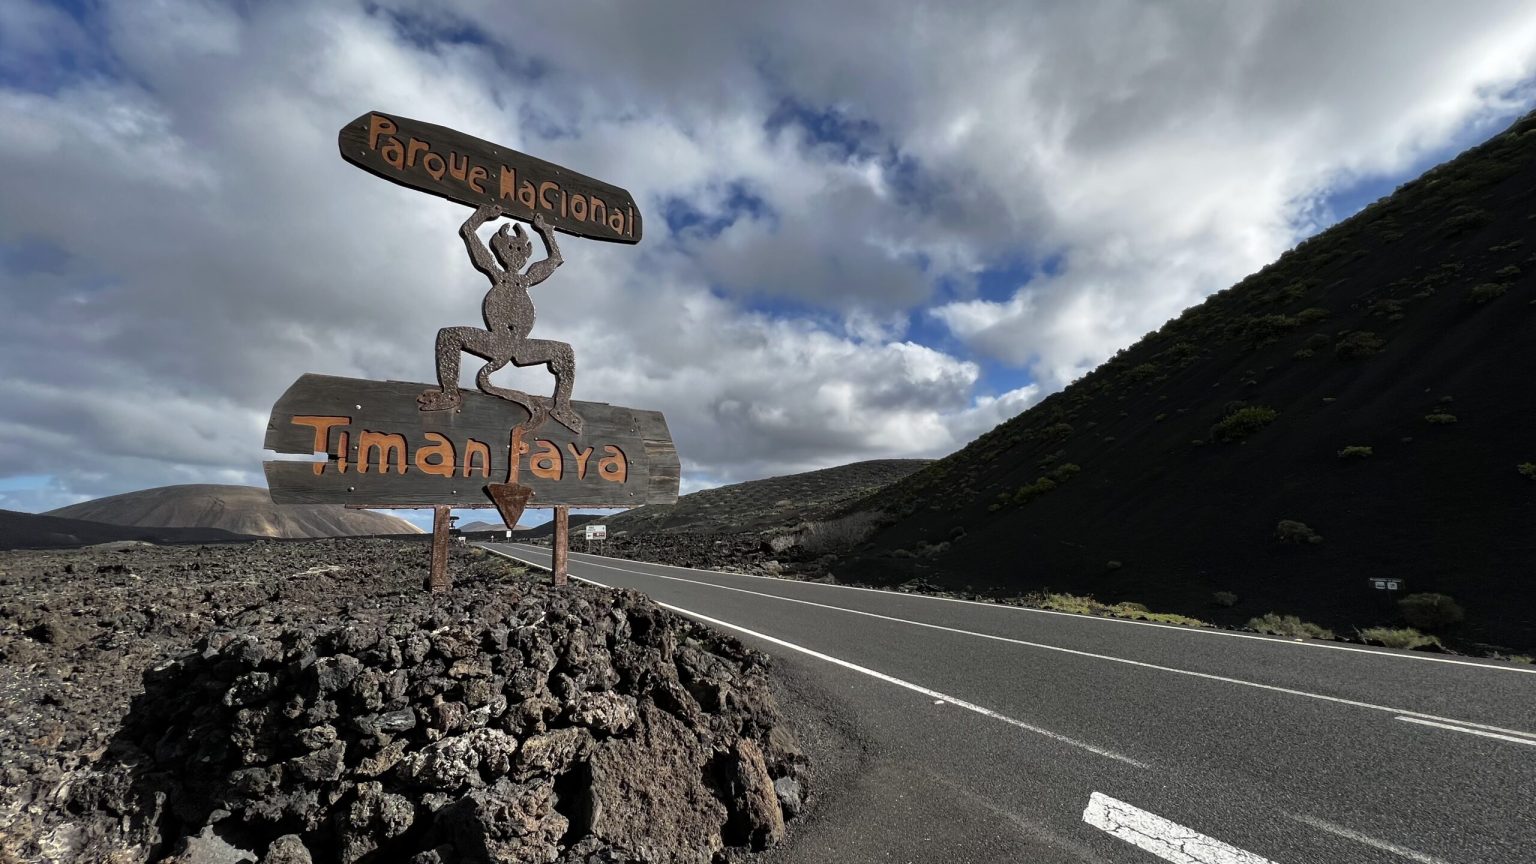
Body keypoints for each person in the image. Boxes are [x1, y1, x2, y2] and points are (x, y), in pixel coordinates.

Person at [418, 204, 581, 434]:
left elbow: (555, 259)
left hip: (522, 345)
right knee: (449, 336)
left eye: (519, 248)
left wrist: (547, 231)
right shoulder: (494, 271)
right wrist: (481, 215)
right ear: (499, 249)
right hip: (495, 340)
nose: (515, 252)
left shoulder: (529, 277)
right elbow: (469, 232)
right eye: (510, 247)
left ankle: (562, 407)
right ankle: (450, 393)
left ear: (526, 253)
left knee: (564, 352)